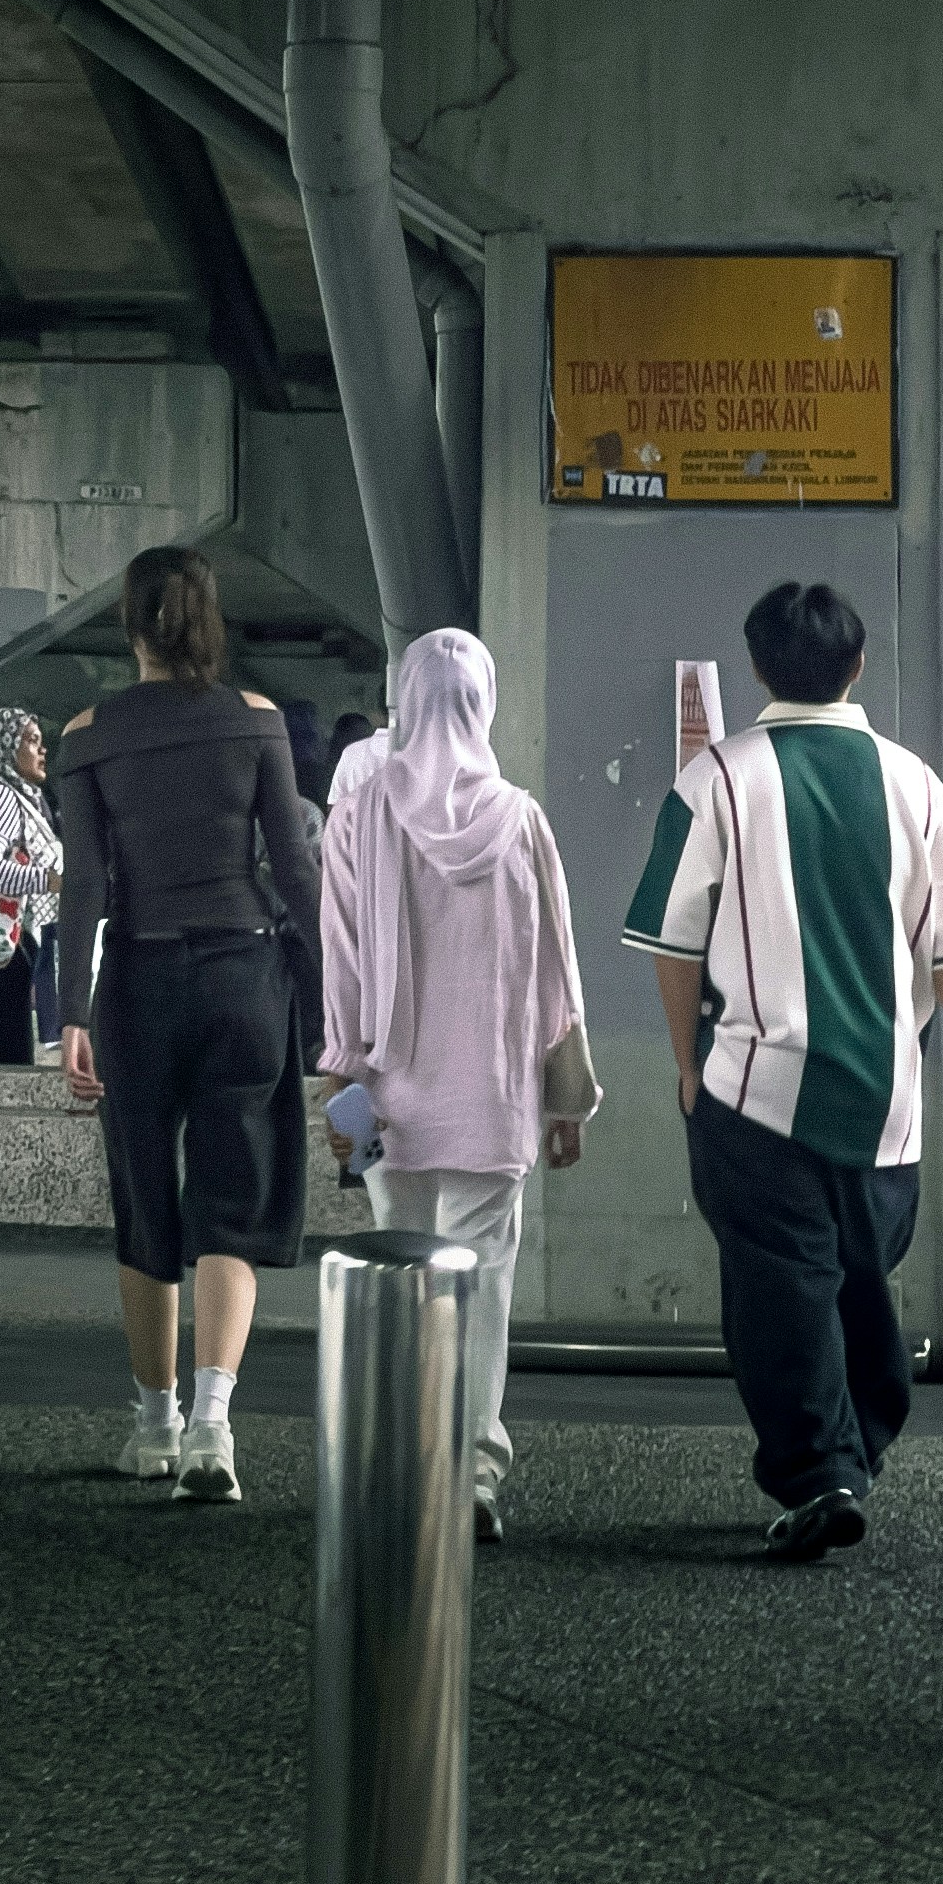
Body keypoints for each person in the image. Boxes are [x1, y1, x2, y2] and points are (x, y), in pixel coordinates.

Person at [624, 575, 943, 1564]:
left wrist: (686, 1065)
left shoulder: (717, 777)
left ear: (757, 665)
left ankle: (822, 1469)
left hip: (754, 1086)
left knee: (777, 1287)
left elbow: (674, 943)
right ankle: (859, 1439)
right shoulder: (918, 785)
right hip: (885, 1100)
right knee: (855, 1278)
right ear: (858, 665)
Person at [316, 628, 599, 1544]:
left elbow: (342, 963)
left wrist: (344, 1086)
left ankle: (399, 1466)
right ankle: (471, 1477)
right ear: (484, 705)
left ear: (403, 701)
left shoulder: (361, 812)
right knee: (480, 1290)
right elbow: (554, 972)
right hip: (494, 1098)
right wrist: (566, 1099)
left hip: (391, 1098)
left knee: (397, 1284)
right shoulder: (520, 819)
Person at [57, 546, 318, 1506]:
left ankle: (153, 1425)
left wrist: (69, 1014)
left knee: (145, 1199)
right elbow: (295, 872)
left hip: (139, 978)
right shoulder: (258, 724)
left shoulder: (88, 732)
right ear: (211, 621)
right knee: (230, 1200)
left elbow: (83, 885)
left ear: (130, 624)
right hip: (245, 975)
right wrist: (332, 1007)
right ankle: (214, 1426)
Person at [0, 707, 61, 1064]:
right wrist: (50, 880)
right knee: (9, 1056)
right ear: (4, 746)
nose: (42, 751)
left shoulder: (23, 797)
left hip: (7, 942)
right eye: (31, 741)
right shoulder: (2, 795)